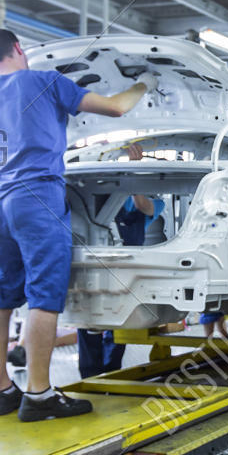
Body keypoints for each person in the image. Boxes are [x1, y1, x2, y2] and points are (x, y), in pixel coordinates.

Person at [0, 27, 152, 421]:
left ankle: (0, 390)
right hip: (37, 197)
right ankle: (38, 396)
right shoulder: (45, 80)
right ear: (19, 48)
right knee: (44, 296)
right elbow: (117, 107)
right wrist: (143, 84)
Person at [77, 145, 163, 377]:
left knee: (117, 322)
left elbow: (144, 207)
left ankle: (110, 371)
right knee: (87, 322)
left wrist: (132, 178)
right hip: (93, 265)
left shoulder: (152, 201)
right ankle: (89, 375)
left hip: (125, 269)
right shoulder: (96, 197)